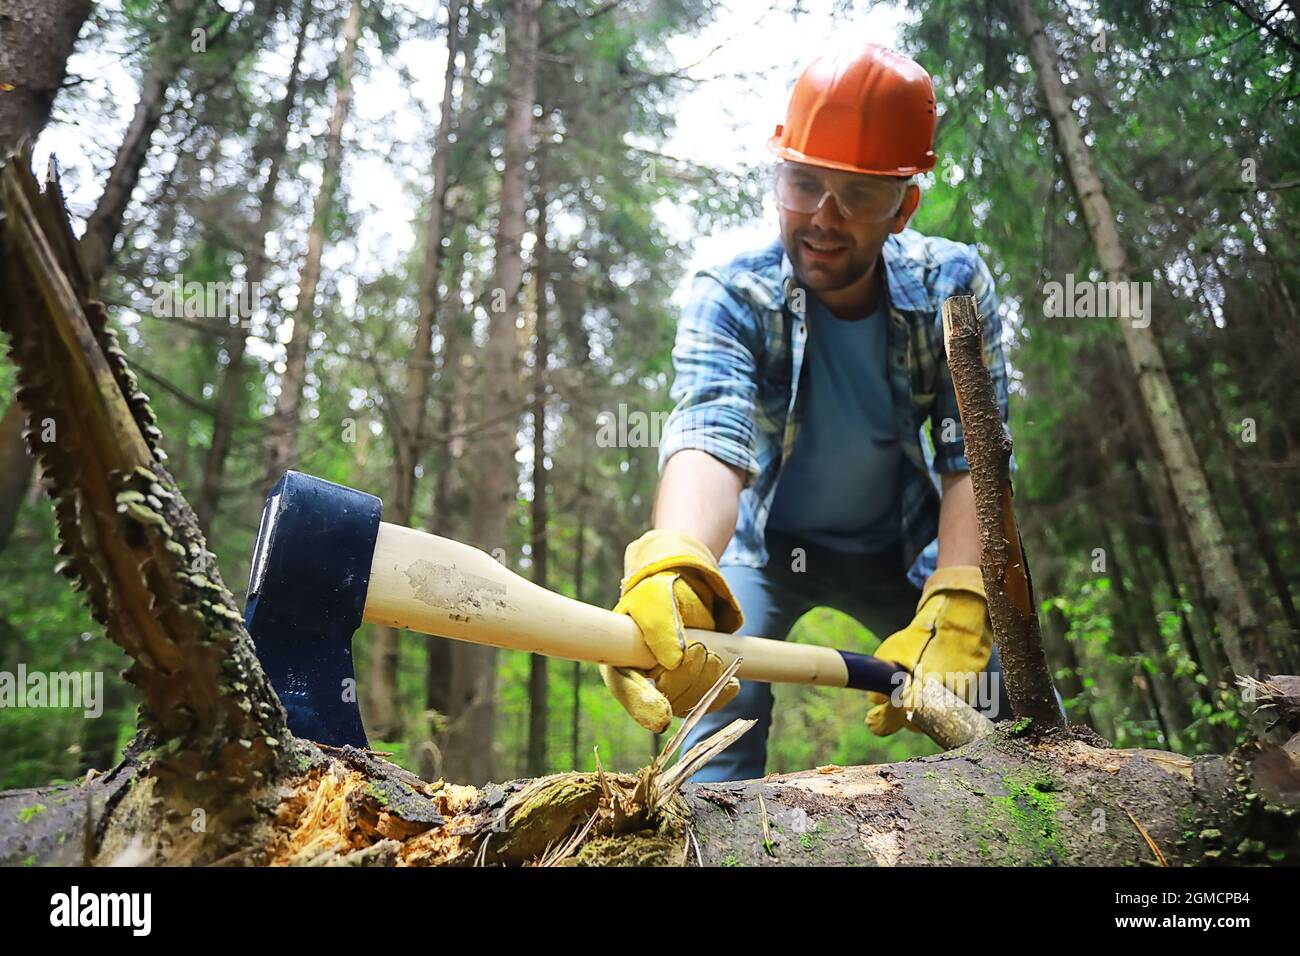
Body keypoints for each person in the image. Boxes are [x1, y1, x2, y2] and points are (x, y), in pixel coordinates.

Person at [600, 44, 1014, 781]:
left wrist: (958, 596)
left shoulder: (953, 284)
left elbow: (972, 460)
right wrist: (679, 563)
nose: (823, 217)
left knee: (993, 699)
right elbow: (708, 431)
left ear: (903, 205)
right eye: (803, 183)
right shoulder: (731, 292)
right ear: (777, 176)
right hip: (766, 549)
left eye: (856, 193)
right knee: (711, 693)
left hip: (902, 548)